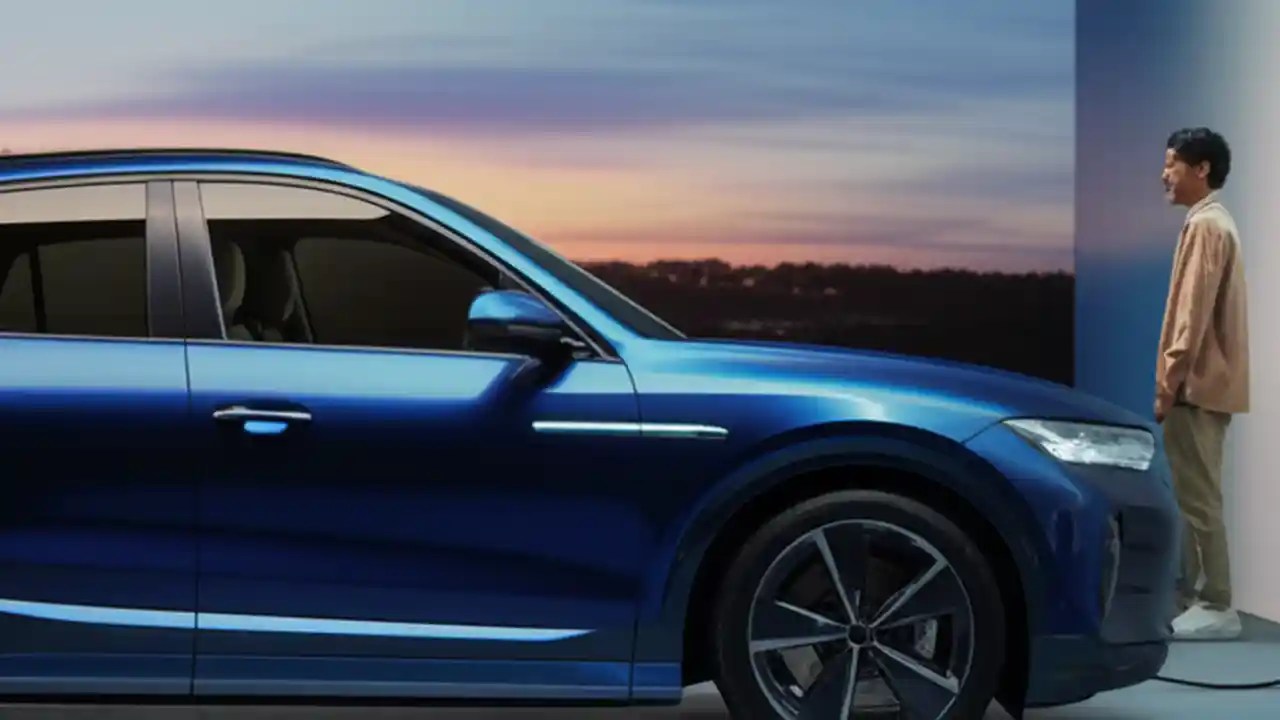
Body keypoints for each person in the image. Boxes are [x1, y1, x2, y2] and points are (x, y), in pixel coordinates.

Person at [1156, 127, 1250, 640]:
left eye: (1171, 163)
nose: (1163, 174)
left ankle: (1217, 604)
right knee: (1196, 494)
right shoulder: (1209, 223)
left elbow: (1190, 320)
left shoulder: (1207, 227)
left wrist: (1167, 383)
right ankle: (1198, 599)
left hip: (1196, 386)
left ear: (1202, 168)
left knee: (1200, 498)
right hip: (1201, 385)